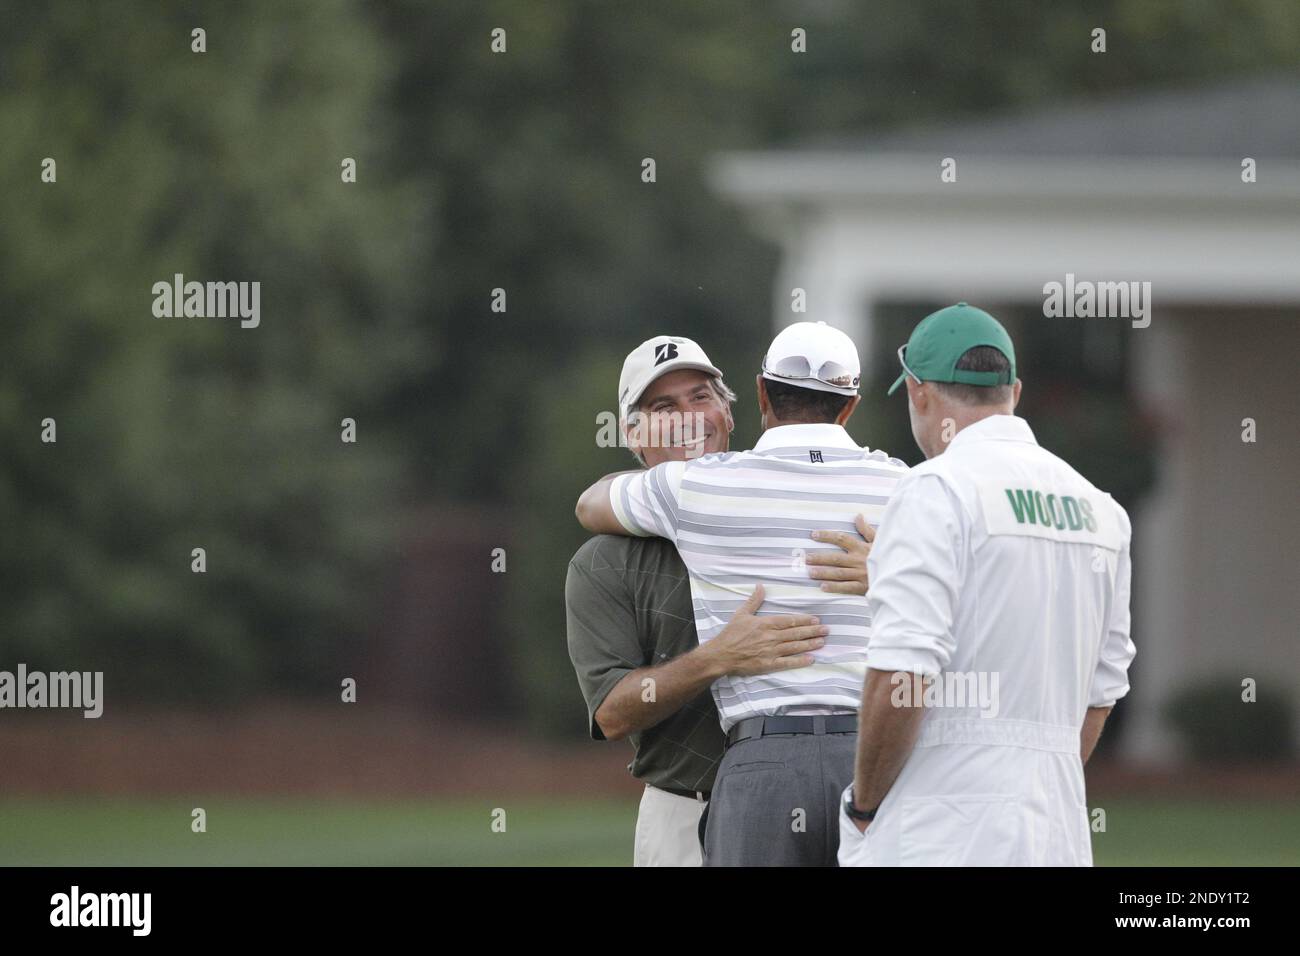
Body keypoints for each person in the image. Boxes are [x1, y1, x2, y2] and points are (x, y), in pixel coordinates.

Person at [577, 322, 908, 866]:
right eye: (663, 407)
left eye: (700, 396)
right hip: (690, 804)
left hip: (761, 773)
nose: (686, 417)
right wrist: (716, 658)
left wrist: (893, 575)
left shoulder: (701, 488)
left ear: (744, 403)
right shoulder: (901, 487)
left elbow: (591, 502)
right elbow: (611, 715)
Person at [838, 302, 1136, 867]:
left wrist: (865, 807)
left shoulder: (935, 490)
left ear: (919, 393)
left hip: (937, 831)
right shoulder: (1103, 511)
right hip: (1057, 831)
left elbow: (904, 672)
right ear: (1013, 392)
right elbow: (1101, 693)